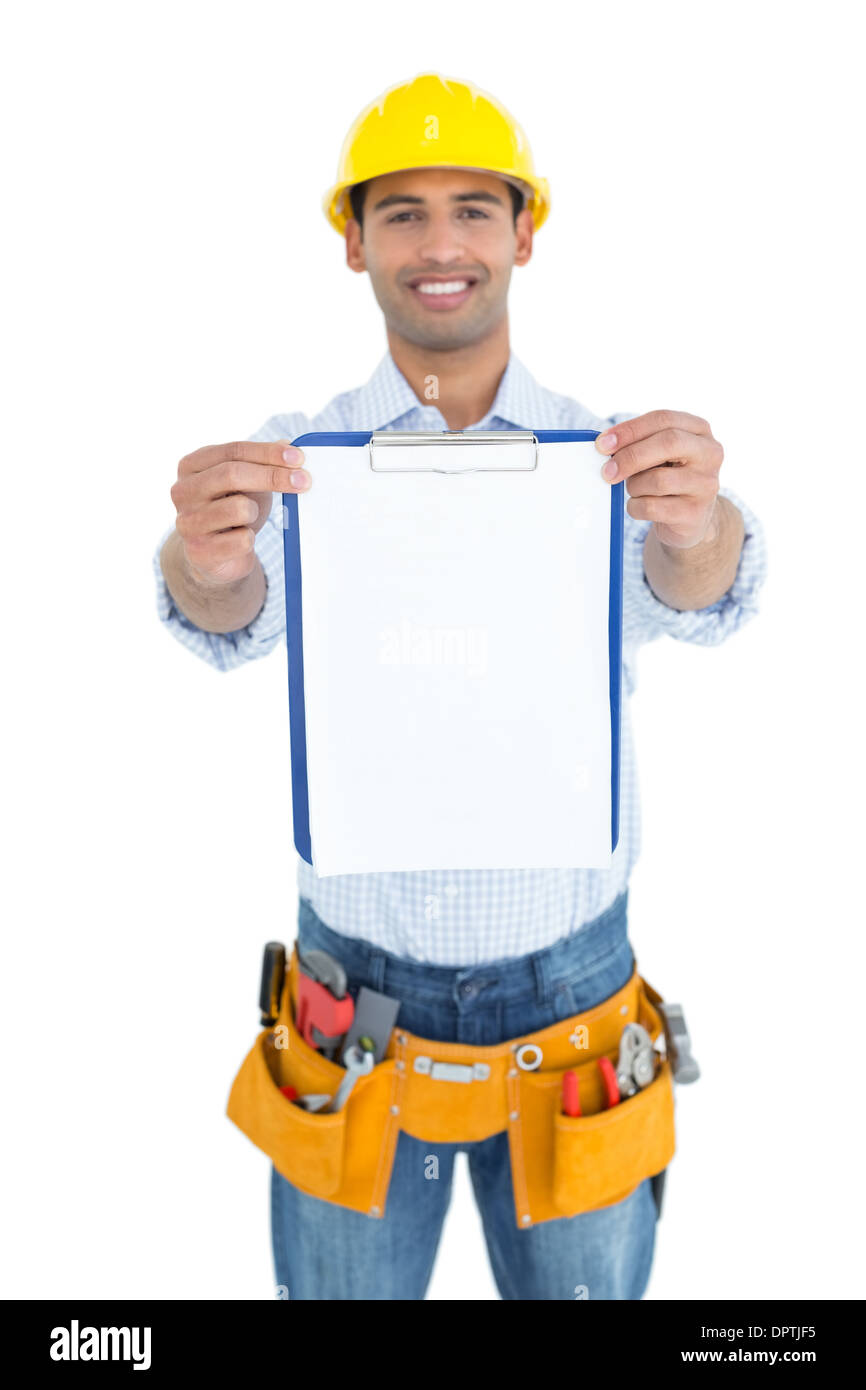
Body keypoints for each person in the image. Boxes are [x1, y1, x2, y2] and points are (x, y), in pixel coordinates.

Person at [153, 72, 767, 1301]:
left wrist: (700, 520)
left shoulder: (601, 461)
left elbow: (696, 591)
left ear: (523, 233)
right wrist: (201, 555)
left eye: (473, 211)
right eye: (402, 213)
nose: (441, 245)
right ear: (353, 242)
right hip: (354, 1014)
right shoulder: (298, 468)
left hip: (573, 1004)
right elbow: (224, 615)